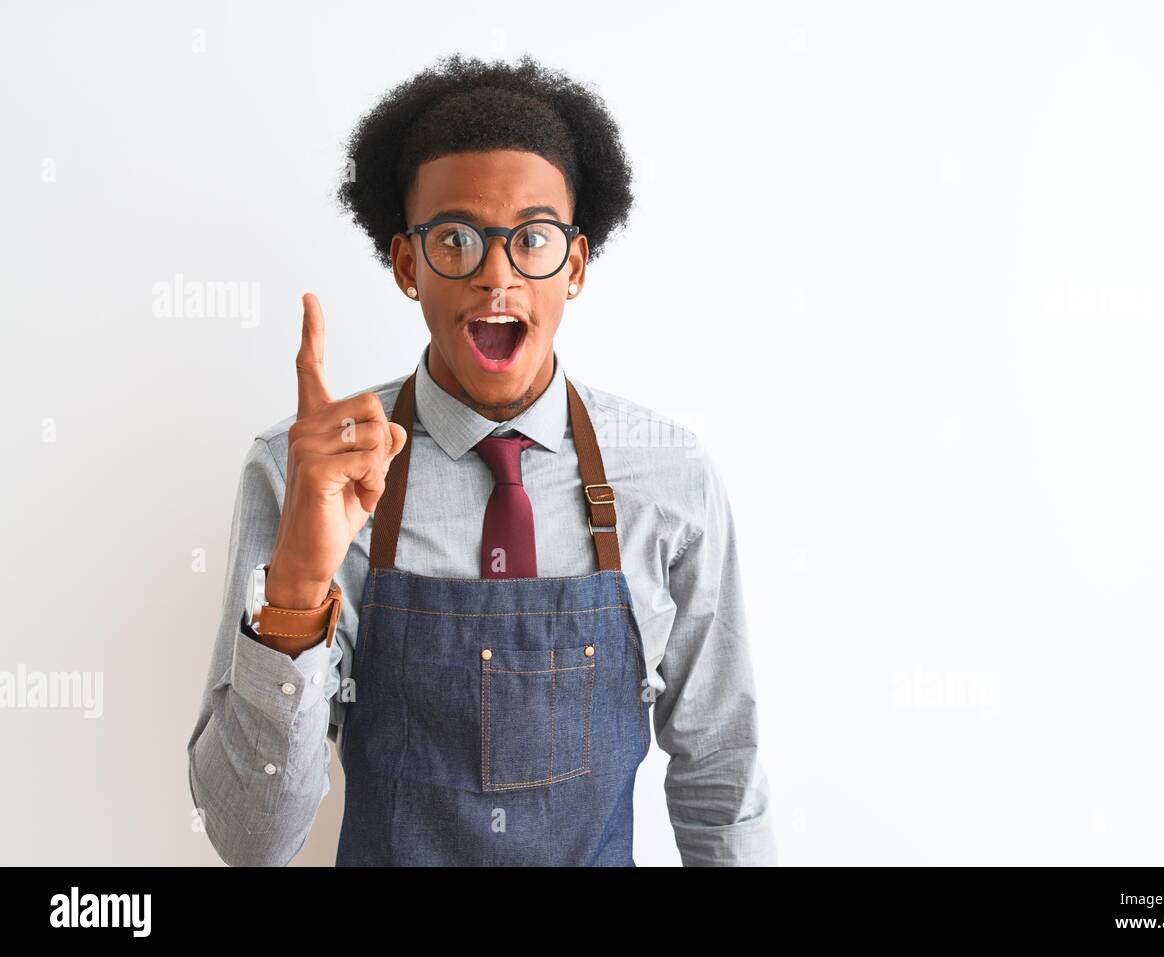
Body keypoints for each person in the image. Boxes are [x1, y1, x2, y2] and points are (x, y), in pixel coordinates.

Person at [186, 53, 776, 866]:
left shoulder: (670, 475)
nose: (496, 274)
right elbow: (251, 841)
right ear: (406, 265)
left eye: (531, 238)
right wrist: (295, 588)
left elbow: (722, 776)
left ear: (573, 265)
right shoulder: (302, 474)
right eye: (455, 238)